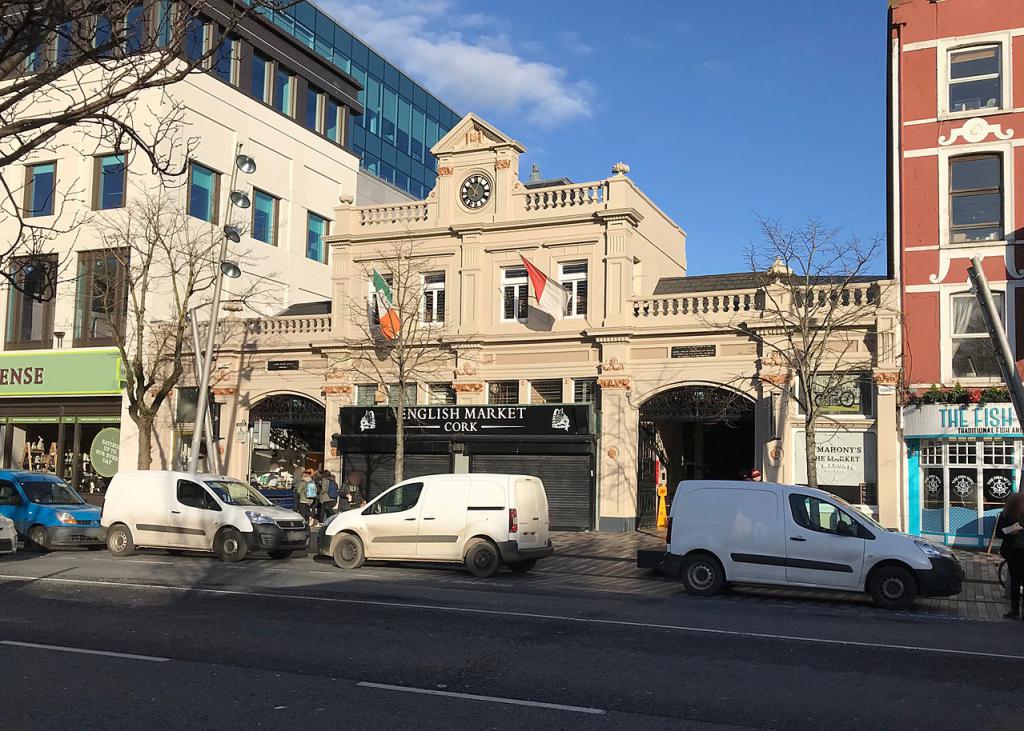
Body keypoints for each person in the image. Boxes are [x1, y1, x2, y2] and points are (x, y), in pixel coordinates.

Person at [996, 492, 1024, 620]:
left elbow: (999, 533)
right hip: (1015, 550)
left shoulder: (1006, 515)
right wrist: (1011, 532)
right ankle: (1017, 610)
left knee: (1015, 581)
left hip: (1013, 551)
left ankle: (1015, 610)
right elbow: (1000, 532)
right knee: (1016, 580)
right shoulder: (1007, 515)